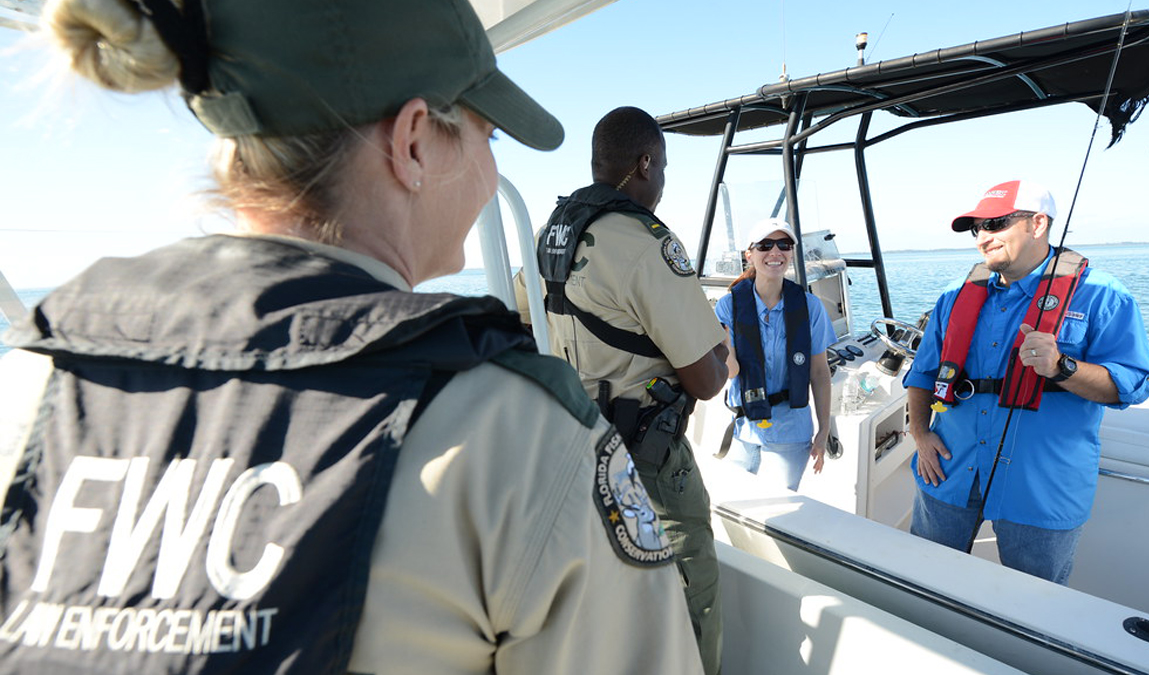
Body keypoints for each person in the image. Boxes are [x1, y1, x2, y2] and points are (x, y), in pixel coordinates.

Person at [0, 1, 705, 673]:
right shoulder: (510, 440)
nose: (492, 176)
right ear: (412, 143)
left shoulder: (33, 391)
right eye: (487, 138)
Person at [514, 106, 728, 674]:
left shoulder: (550, 234)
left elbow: (522, 317)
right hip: (648, 461)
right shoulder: (643, 243)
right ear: (645, 163)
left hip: (573, 451)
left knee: (602, 594)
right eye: (662, 168)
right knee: (691, 588)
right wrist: (721, 350)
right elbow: (707, 381)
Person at [903, 179, 1149, 585]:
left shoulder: (1102, 295)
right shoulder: (955, 295)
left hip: (1042, 488)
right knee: (924, 579)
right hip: (951, 470)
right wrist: (918, 431)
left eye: (997, 223)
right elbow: (923, 372)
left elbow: (1134, 383)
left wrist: (1062, 367)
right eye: (977, 228)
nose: (984, 238)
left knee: (1037, 603)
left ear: (1038, 224)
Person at [714, 218, 836, 491]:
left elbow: (819, 372)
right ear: (750, 254)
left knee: (779, 505)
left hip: (791, 431)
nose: (775, 252)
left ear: (792, 252)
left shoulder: (810, 307)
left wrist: (824, 430)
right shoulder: (727, 306)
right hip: (743, 429)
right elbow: (731, 372)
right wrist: (723, 347)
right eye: (765, 245)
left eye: (784, 244)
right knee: (737, 502)